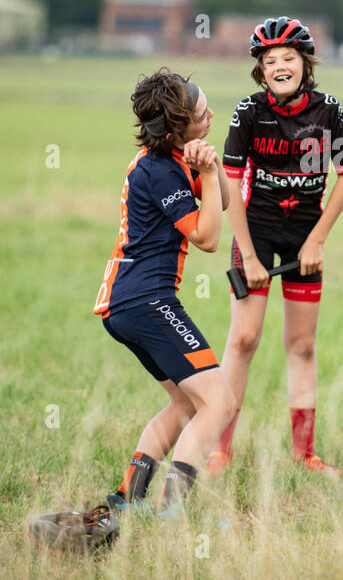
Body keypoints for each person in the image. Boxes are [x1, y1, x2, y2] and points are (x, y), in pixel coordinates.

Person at [208, 17, 343, 476]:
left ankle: (304, 453)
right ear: (260, 71)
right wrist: (249, 256)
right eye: (269, 61)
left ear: (305, 64)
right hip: (255, 229)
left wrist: (317, 241)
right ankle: (219, 450)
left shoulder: (328, 110)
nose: (279, 66)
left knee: (301, 345)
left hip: (305, 235)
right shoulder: (249, 112)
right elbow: (228, 184)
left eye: (288, 58)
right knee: (244, 338)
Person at [91, 69, 236, 518]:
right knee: (220, 402)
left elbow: (226, 202)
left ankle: (126, 500)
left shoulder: (168, 158)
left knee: (183, 402)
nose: (211, 114)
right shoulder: (161, 172)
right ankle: (169, 513)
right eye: (200, 114)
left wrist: (211, 169)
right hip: (146, 301)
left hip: (126, 304)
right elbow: (209, 238)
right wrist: (207, 177)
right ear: (177, 129)